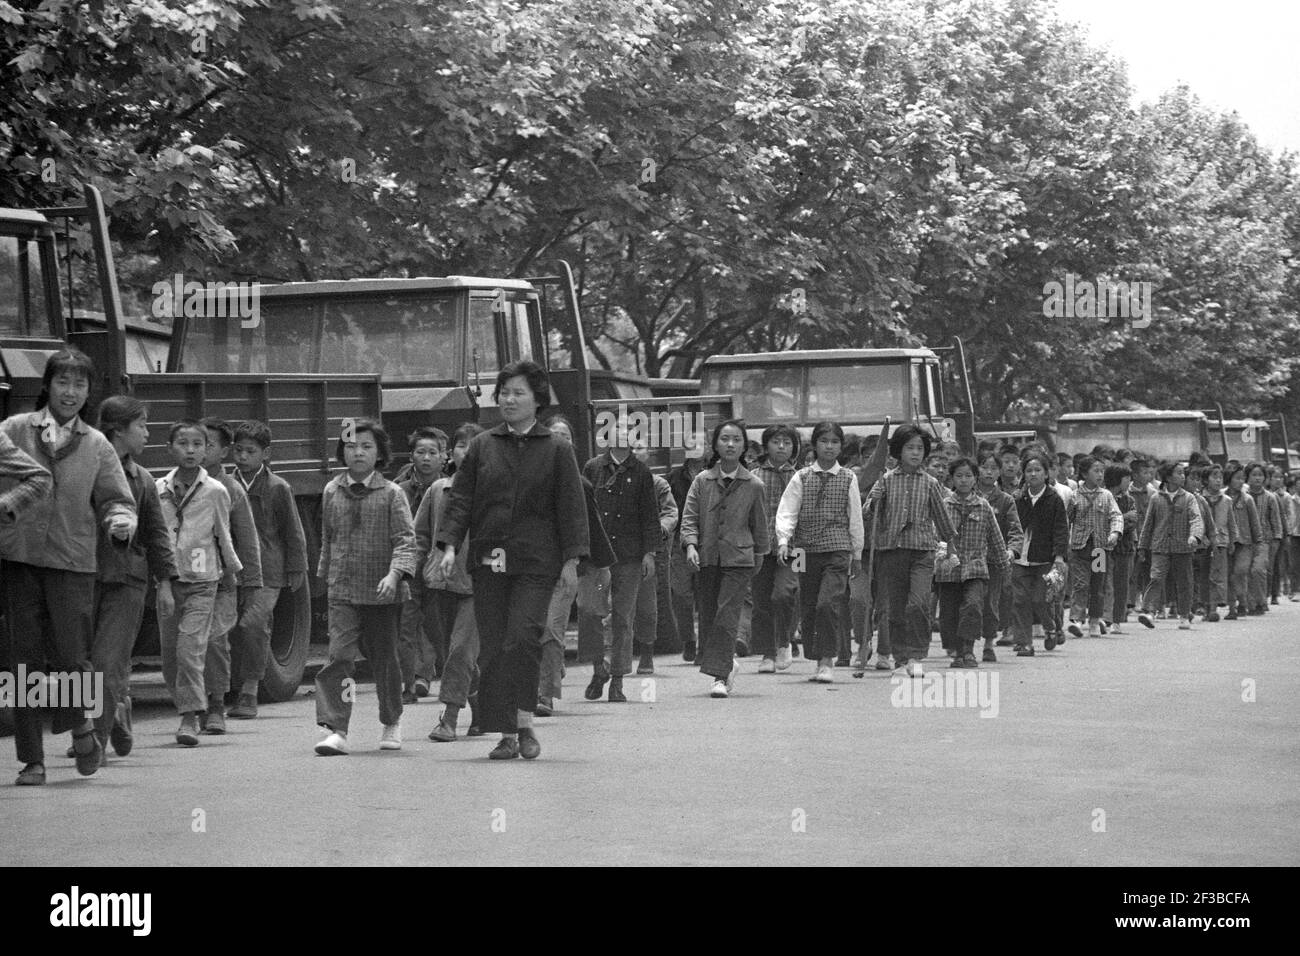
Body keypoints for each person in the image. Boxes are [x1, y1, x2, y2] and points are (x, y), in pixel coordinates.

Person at [437, 361, 588, 760]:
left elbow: (571, 507)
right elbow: (461, 499)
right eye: (504, 391)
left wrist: (573, 560)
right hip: (489, 560)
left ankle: (525, 722)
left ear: (537, 399)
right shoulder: (484, 445)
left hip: (536, 563)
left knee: (522, 636)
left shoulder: (556, 448)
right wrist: (450, 545)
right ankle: (506, 733)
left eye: (518, 392)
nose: (509, 399)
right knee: (494, 646)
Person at [2, 348, 133, 785]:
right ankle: (31, 760)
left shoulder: (96, 444)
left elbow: (117, 499)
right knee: (23, 661)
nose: (71, 392)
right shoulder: (15, 429)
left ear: (89, 392)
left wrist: (118, 522)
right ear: (48, 385)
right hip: (19, 558)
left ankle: (82, 727)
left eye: (80, 384)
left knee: (71, 658)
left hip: (72, 562)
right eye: (63, 382)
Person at [313, 419, 416, 756]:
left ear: (380, 453)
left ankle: (391, 721)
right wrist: (325, 574)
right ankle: (337, 729)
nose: (358, 452)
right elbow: (328, 539)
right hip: (342, 589)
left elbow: (405, 541)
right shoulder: (331, 491)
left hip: (382, 592)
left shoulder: (392, 494)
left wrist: (394, 575)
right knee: (340, 657)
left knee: (384, 658)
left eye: (367, 446)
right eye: (351, 445)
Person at [86, 397, 177, 760]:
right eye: (141, 426)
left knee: (108, 663)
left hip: (127, 582)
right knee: (82, 663)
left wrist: (166, 584)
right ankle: (117, 709)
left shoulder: (143, 481)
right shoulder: (85, 468)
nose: (147, 433)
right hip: (81, 577)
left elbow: (157, 535)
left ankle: (93, 741)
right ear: (118, 430)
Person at [156, 419, 241, 747]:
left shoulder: (216, 491)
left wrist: (231, 575)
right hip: (168, 580)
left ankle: (190, 718)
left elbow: (223, 532)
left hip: (205, 582)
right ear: (169, 449)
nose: (190, 451)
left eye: (197, 445)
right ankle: (191, 705)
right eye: (182, 444)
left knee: (189, 648)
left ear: (207, 450)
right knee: (170, 655)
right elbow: (156, 535)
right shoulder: (158, 487)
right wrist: (160, 579)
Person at [680, 419, 770, 697]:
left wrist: (760, 555)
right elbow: (690, 518)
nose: (730, 445)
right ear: (715, 445)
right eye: (725, 439)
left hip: (739, 559)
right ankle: (727, 662)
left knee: (726, 615)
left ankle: (719, 677)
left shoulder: (753, 484)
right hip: (707, 556)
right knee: (708, 615)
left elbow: (760, 526)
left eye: (736, 440)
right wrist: (691, 546)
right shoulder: (702, 481)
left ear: (744, 446)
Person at [228, 419, 309, 718]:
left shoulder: (278, 487)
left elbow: (293, 530)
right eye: (238, 450)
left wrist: (297, 568)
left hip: (269, 571)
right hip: (234, 570)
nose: (243, 457)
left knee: (253, 624)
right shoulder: (226, 485)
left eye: (250, 451)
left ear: (266, 454)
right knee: (232, 628)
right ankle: (230, 689)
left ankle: (249, 690)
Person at [536, 416, 613, 716]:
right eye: (553, 435)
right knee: (540, 629)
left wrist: (591, 563)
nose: (559, 441)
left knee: (562, 623)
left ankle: (548, 693)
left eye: (565, 436)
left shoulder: (581, 484)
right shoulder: (530, 477)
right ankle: (550, 674)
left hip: (575, 562)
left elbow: (590, 527)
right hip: (537, 565)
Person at [776, 422, 864, 683]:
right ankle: (816, 657)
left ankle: (827, 659)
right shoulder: (801, 477)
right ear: (815, 445)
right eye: (824, 441)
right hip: (803, 552)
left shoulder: (849, 478)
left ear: (840, 446)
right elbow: (787, 510)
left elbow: (855, 517)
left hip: (837, 549)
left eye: (835, 441)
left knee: (828, 602)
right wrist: (783, 541)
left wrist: (856, 553)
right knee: (809, 603)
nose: (829, 446)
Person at [863, 424, 954, 678]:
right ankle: (900, 659)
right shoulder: (885, 480)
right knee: (895, 607)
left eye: (919, 448)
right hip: (891, 551)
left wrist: (951, 549)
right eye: (909, 448)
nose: (915, 453)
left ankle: (916, 655)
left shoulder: (931, 483)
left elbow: (943, 518)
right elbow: (868, 513)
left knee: (918, 604)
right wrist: (875, 500)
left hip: (922, 552)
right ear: (898, 451)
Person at [580, 417, 658, 703]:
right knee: (590, 611)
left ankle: (617, 679)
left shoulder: (642, 473)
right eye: (619, 428)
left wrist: (649, 553)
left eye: (631, 430)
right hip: (597, 555)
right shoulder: (592, 467)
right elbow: (582, 510)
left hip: (630, 556)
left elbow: (651, 516)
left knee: (624, 617)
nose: (624, 433)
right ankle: (599, 667)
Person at [197, 418, 264, 735]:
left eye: (208, 444)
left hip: (222, 582)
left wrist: (251, 584)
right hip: (187, 580)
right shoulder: (173, 484)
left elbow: (247, 540)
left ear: (224, 451)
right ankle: (193, 705)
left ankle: (215, 706)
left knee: (215, 642)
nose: (199, 449)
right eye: (194, 441)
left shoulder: (231, 488)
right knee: (184, 647)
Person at [423, 424, 484, 741]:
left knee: (460, 652)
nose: (467, 451)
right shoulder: (437, 491)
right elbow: (419, 535)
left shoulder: (492, 493)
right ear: (451, 452)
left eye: (474, 445)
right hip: (439, 585)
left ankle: (448, 719)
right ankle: (479, 704)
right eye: (461, 445)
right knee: (451, 655)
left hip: (476, 587)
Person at [935, 458, 1008, 668]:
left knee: (973, 606)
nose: (964, 480)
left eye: (968, 475)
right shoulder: (944, 505)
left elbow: (995, 537)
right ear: (952, 478)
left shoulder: (983, 506)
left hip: (976, 568)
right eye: (959, 475)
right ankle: (957, 651)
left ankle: (968, 649)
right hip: (949, 570)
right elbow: (934, 534)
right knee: (949, 612)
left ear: (975, 478)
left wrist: (1004, 565)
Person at [397, 426, 448, 702]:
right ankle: (410, 682)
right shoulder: (400, 490)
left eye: (432, 452)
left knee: (436, 623)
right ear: (411, 456)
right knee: (406, 622)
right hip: (409, 564)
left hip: (440, 565)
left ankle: (427, 673)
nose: (426, 458)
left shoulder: (450, 489)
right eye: (420, 452)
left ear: (443, 457)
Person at [751, 425, 800, 673]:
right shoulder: (753, 475)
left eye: (787, 442)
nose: (781, 447)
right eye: (776, 442)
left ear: (794, 447)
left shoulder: (801, 476)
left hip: (795, 549)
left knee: (785, 594)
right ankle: (767, 653)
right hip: (760, 548)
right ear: (766, 445)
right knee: (761, 601)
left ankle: (784, 641)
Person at [1010, 451, 1069, 656]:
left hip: (1045, 557)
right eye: (1029, 470)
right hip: (1020, 557)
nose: (1033, 474)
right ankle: (1024, 642)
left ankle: (1051, 628)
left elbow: (1061, 529)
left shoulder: (1054, 499)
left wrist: (1059, 556)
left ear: (1046, 474)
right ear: (1023, 474)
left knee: (1040, 599)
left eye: (1038, 470)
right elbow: (1011, 526)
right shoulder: (1018, 498)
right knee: (1019, 600)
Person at [1136, 462, 1204, 630]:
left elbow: (1196, 519)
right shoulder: (1156, 498)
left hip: (1183, 547)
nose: (1183, 476)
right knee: (1156, 577)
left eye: (1183, 473)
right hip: (1160, 546)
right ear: (1168, 477)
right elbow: (1148, 524)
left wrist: (1194, 536)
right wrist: (1142, 547)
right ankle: (1149, 611)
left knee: (1184, 581)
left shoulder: (1189, 498)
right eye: (1178, 473)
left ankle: (1184, 615)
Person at [631, 438, 677, 675]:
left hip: (650, 550)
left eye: (638, 447)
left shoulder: (657, 484)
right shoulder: (609, 480)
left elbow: (670, 513)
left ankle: (647, 652)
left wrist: (658, 530)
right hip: (618, 549)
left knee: (648, 603)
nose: (633, 452)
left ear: (648, 453)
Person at [1064, 456, 1123, 640]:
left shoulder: (1106, 496)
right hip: (1079, 547)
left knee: (1098, 585)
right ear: (1084, 473)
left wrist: (1115, 532)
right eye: (1095, 471)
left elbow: (1116, 516)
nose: (1100, 474)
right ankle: (1076, 619)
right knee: (1080, 584)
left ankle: (1095, 620)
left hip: (1100, 549)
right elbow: (1066, 520)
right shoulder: (1074, 496)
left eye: (1101, 471)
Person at [974, 449, 1022, 661]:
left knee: (991, 603)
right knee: (970, 602)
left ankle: (988, 643)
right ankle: (964, 644)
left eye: (993, 468)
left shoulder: (1005, 500)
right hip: (968, 559)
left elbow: (1015, 529)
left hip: (994, 560)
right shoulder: (964, 495)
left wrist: (1012, 550)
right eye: (984, 467)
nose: (989, 472)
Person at [667, 447, 707, 660]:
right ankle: (688, 640)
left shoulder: (715, 473)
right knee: (681, 594)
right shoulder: (673, 477)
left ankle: (704, 645)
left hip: (709, 541)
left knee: (705, 595)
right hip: (680, 542)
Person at [1198, 464, 1237, 623]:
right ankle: (1205, 606)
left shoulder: (1227, 500)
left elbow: (1231, 522)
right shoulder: (1198, 499)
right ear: (1206, 480)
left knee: (1217, 575)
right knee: (1203, 576)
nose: (1218, 480)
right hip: (1202, 542)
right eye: (1214, 477)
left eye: (1220, 477)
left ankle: (1213, 608)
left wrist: (1232, 541)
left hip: (1220, 542)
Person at [1103, 463, 1138, 633]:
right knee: (1101, 582)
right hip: (1100, 549)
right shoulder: (1101, 497)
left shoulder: (1129, 500)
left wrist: (1120, 521)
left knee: (1122, 585)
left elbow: (1133, 522)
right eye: (1127, 478)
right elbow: (1100, 521)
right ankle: (1102, 617)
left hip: (1124, 549)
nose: (1129, 481)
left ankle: (1116, 619)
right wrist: (1123, 518)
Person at [1223, 464, 1261, 620]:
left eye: (1242, 478)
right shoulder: (1222, 498)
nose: (1241, 481)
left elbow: (1255, 522)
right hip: (1225, 542)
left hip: (1244, 542)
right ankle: (1233, 607)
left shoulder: (1247, 499)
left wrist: (1258, 541)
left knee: (1240, 571)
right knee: (1228, 575)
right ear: (1229, 479)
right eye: (1237, 478)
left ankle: (1243, 600)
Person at [1244, 462, 1281, 616]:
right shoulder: (1242, 497)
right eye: (1254, 475)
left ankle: (1259, 601)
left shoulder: (1270, 498)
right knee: (1246, 571)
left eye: (1260, 475)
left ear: (1265, 479)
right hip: (1245, 540)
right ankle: (1252, 603)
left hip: (1264, 541)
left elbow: (1276, 520)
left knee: (1259, 570)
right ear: (1247, 477)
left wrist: (1277, 539)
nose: (1257, 478)